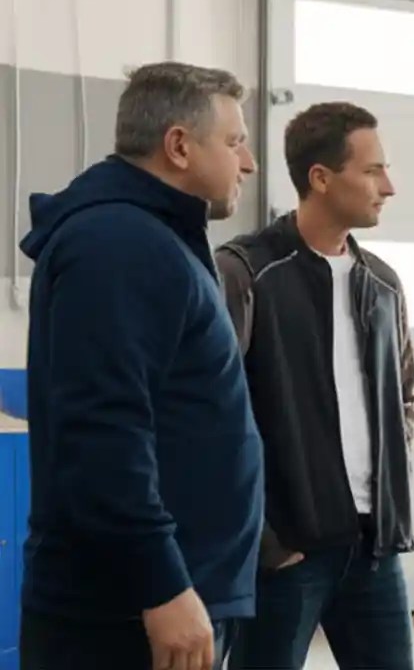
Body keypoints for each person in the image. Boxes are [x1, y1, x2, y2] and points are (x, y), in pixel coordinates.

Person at [18, 61, 263, 670]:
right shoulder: (119, 245)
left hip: (170, 593)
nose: (249, 162)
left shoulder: (155, 236)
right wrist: (162, 585)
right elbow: (103, 435)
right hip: (129, 613)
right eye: (235, 142)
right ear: (179, 145)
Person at [216, 101, 414, 670]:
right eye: (373, 170)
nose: (389, 186)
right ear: (321, 179)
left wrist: (385, 496)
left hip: (373, 548)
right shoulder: (244, 271)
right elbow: (212, 414)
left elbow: (403, 396)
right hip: (284, 552)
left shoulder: (383, 283)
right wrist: (262, 540)